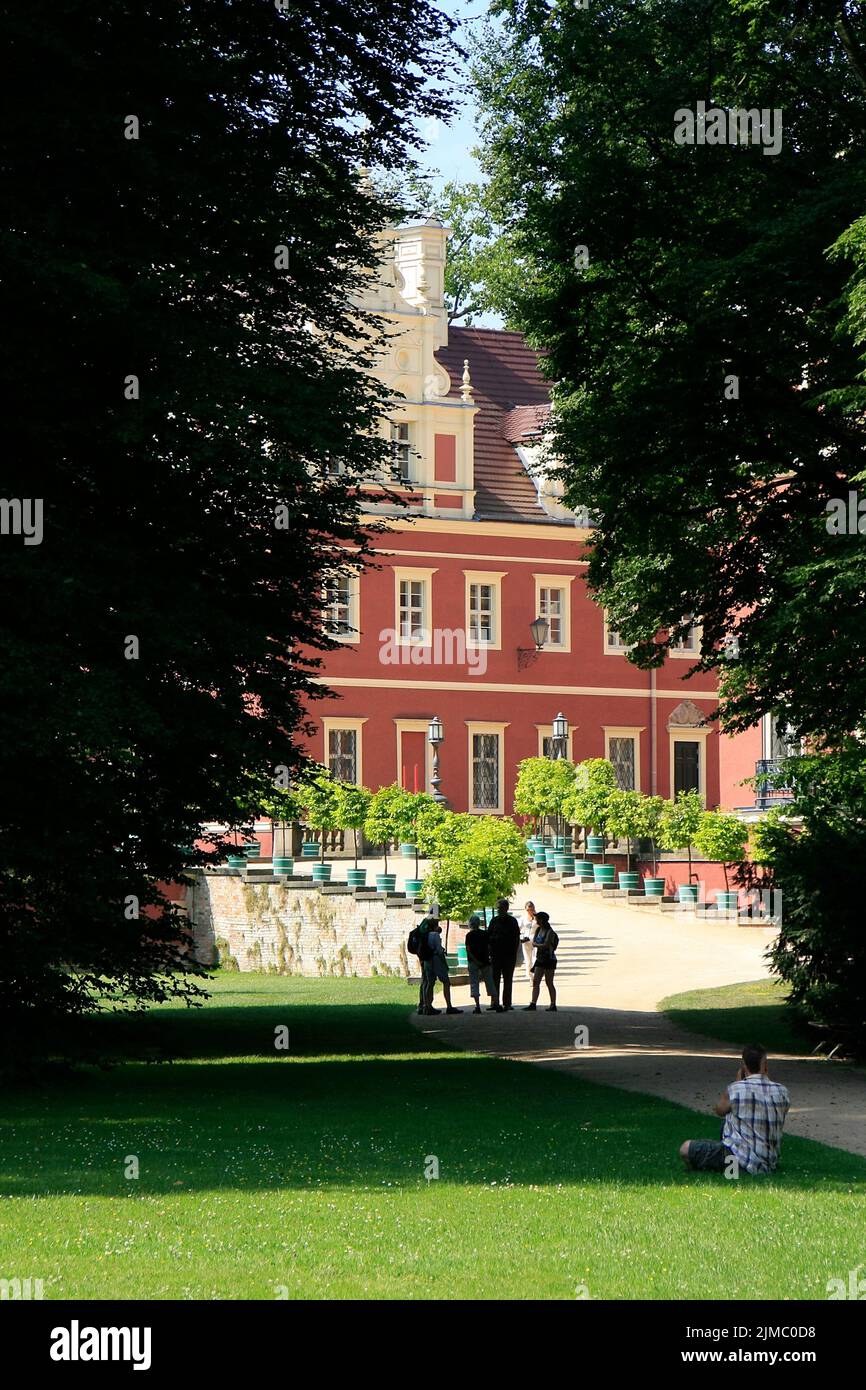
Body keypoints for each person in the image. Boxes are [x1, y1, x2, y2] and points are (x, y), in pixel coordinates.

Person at [679, 1045, 790, 1175]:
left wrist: (738, 1081)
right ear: (765, 1066)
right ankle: (732, 1169)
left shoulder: (735, 1089)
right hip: (769, 1163)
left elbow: (720, 1110)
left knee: (686, 1149)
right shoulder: (782, 1091)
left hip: (739, 1160)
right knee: (727, 1123)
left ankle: (729, 1170)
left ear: (744, 1066)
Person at [422, 911, 461, 1016]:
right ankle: (449, 1006)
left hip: (427, 960)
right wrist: (444, 962)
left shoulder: (425, 935)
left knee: (430, 983)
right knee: (446, 982)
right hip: (436, 959)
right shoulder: (435, 935)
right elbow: (439, 951)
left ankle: (427, 1006)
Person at [488, 898, 521, 1011]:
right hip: (496, 955)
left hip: (508, 955)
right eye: (498, 908)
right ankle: (494, 1002)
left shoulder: (512, 921)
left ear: (506, 908)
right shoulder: (494, 921)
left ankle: (507, 1003)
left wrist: (514, 953)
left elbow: (517, 938)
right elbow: (489, 936)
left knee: (508, 979)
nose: (499, 910)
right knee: (494, 979)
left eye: (501, 908)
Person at [464, 914, 502, 1014]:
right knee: (490, 982)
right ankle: (496, 1004)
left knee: (474, 983)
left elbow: (468, 950)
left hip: (473, 962)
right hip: (485, 961)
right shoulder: (485, 934)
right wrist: (488, 957)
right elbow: (489, 947)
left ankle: (477, 1006)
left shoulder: (469, 935)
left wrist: (475, 960)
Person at [524, 911, 559, 1011]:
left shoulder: (550, 932)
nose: (535, 920)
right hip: (540, 959)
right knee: (536, 981)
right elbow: (535, 942)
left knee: (549, 982)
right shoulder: (539, 929)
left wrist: (537, 945)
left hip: (549, 959)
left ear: (542, 920)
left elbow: (546, 945)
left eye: (537, 918)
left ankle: (553, 1004)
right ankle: (533, 1003)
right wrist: (537, 945)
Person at [518, 900, 538, 980]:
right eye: (528, 910)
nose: (530, 911)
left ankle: (536, 975)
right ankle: (530, 977)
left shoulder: (538, 917)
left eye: (531, 909)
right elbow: (518, 929)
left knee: (535, 958)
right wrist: (520, 938)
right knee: (528, 960)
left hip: (536, 941)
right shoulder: (523, 918)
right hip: (526, 941)